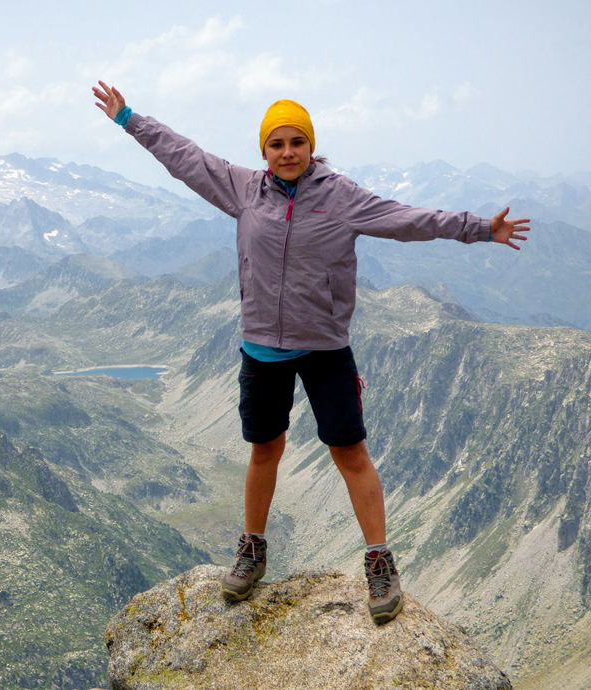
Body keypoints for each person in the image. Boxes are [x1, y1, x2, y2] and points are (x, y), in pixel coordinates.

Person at [92, 81, 529, 623]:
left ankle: (378, 561)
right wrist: (130, 118)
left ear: (311, 145)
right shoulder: (242, 190)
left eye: (297, 141)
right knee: (264, 451)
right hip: (262, 351)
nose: (288, 152)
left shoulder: (341, 197)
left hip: (325, 350)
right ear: (264, 151)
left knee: (350, 454)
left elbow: (407, 218)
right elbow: (186, 157)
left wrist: (480, 229)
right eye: (277, 144)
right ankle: (252, 550)